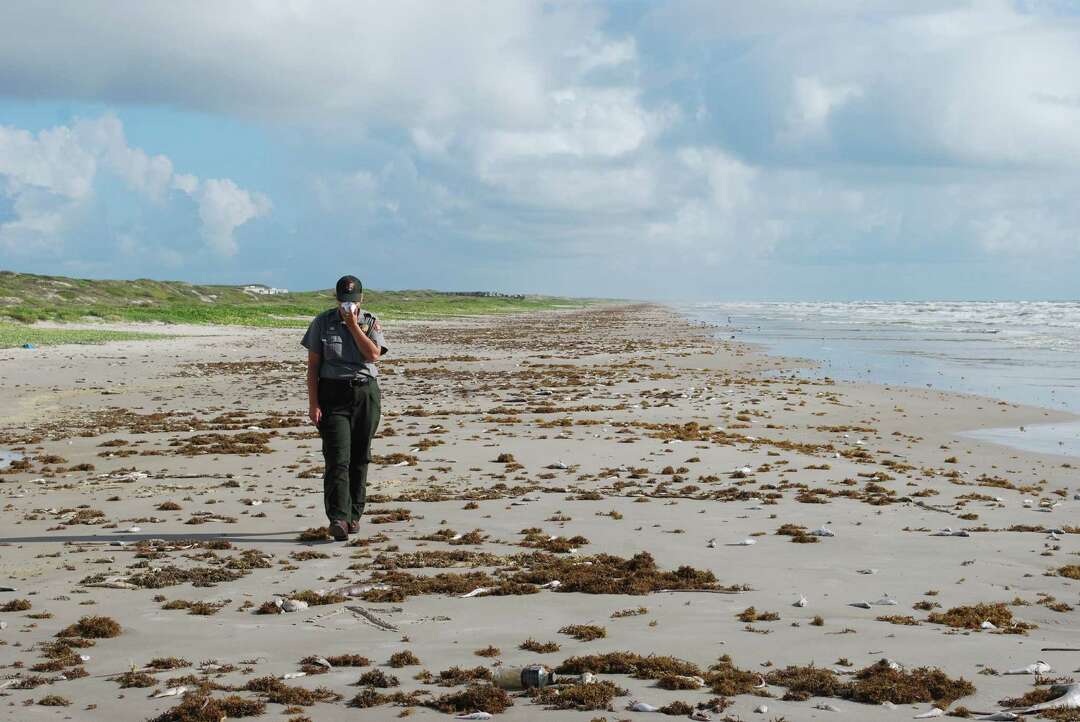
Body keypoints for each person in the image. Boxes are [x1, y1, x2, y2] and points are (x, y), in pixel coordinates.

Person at [301, 275, 389, 540]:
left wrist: (354, 326)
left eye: (351, 301)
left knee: (360, 457)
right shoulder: (322, 322)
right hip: (332, 393)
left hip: (365, 393)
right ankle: (338, 518)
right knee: (338, 458)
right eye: (343, 301)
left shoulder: (370, 322)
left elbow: (373, 355)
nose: (347, 306)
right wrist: (313, 403)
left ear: (360, 300)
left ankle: (354, 515)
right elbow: (313, 365)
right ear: (336, 299)